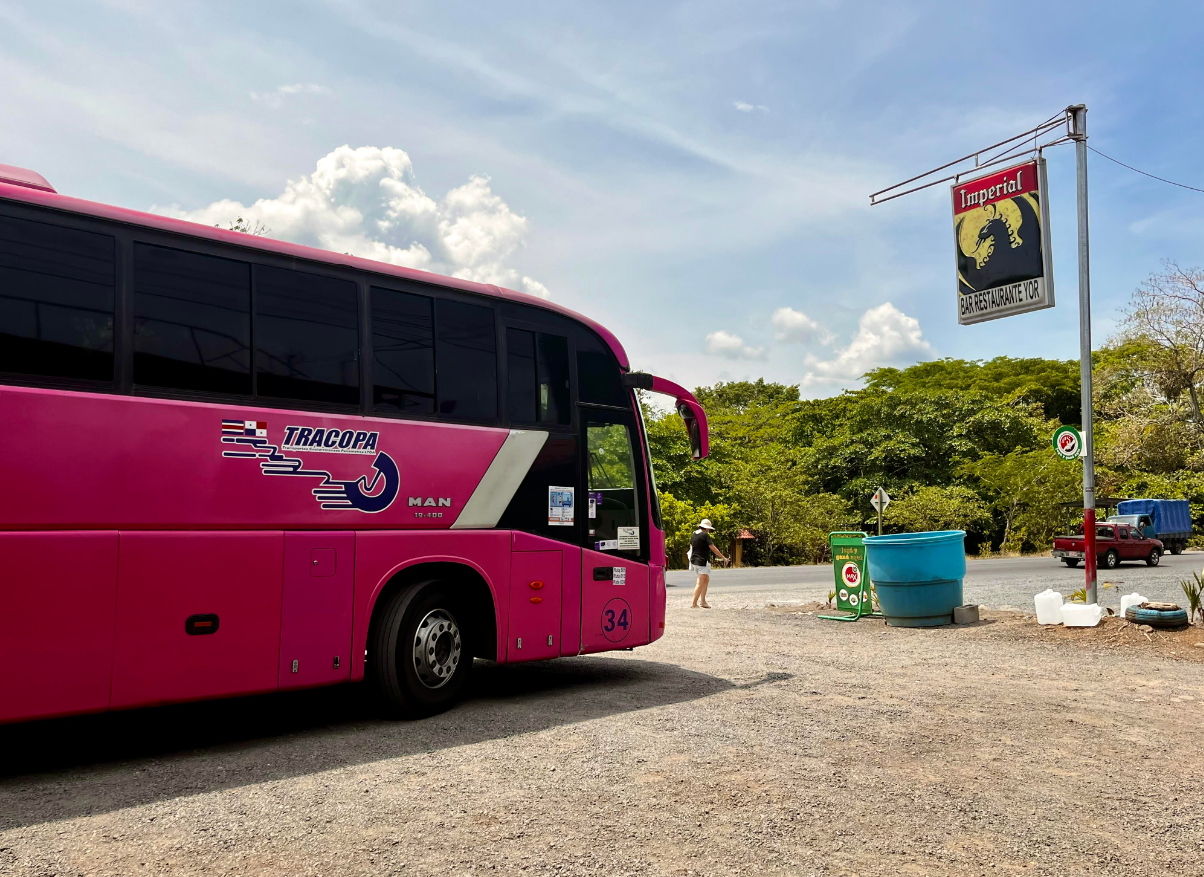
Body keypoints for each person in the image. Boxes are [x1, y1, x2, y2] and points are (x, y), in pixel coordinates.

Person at [689, 518, 727, 609]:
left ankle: (703, 601)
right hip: (702, 561)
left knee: (706, 580)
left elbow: (691, 546)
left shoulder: (694, 534)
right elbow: (713, 548)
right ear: (706, 528)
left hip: (695, 560)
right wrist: (723, 557)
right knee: (700, 582)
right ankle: (694, 603)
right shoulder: (705, 535)